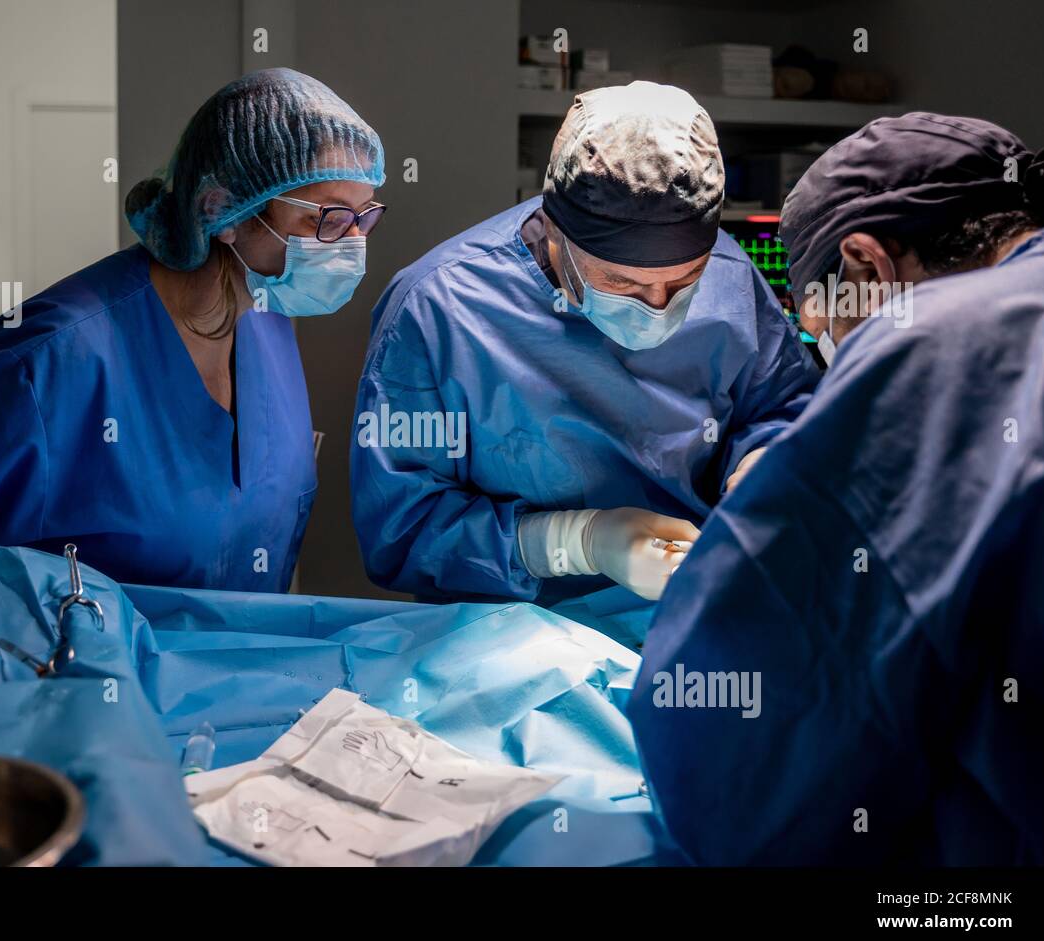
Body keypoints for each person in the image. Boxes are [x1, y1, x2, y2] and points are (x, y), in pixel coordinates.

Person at [627, 112, 1044, 865]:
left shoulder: (936, 338)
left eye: (824, 330)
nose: (831, 360)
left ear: (865, 266)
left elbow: (742, 773)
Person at [0, 68, 386, 590]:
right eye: (329, 217)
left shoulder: (266, 321)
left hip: (237, 673)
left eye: (364, 217)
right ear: (223, 208)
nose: (353, 243)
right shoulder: (52, 358)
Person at [350, 81, 819, 604]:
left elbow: (779, 407)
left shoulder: (729, 274)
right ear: (555, 231)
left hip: (694, 606)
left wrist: (761, 464)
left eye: (686, 281)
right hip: (505, 639)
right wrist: (576, 542)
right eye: (622, 283)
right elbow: (403, 532)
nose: (658, 306)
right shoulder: (440, 309)